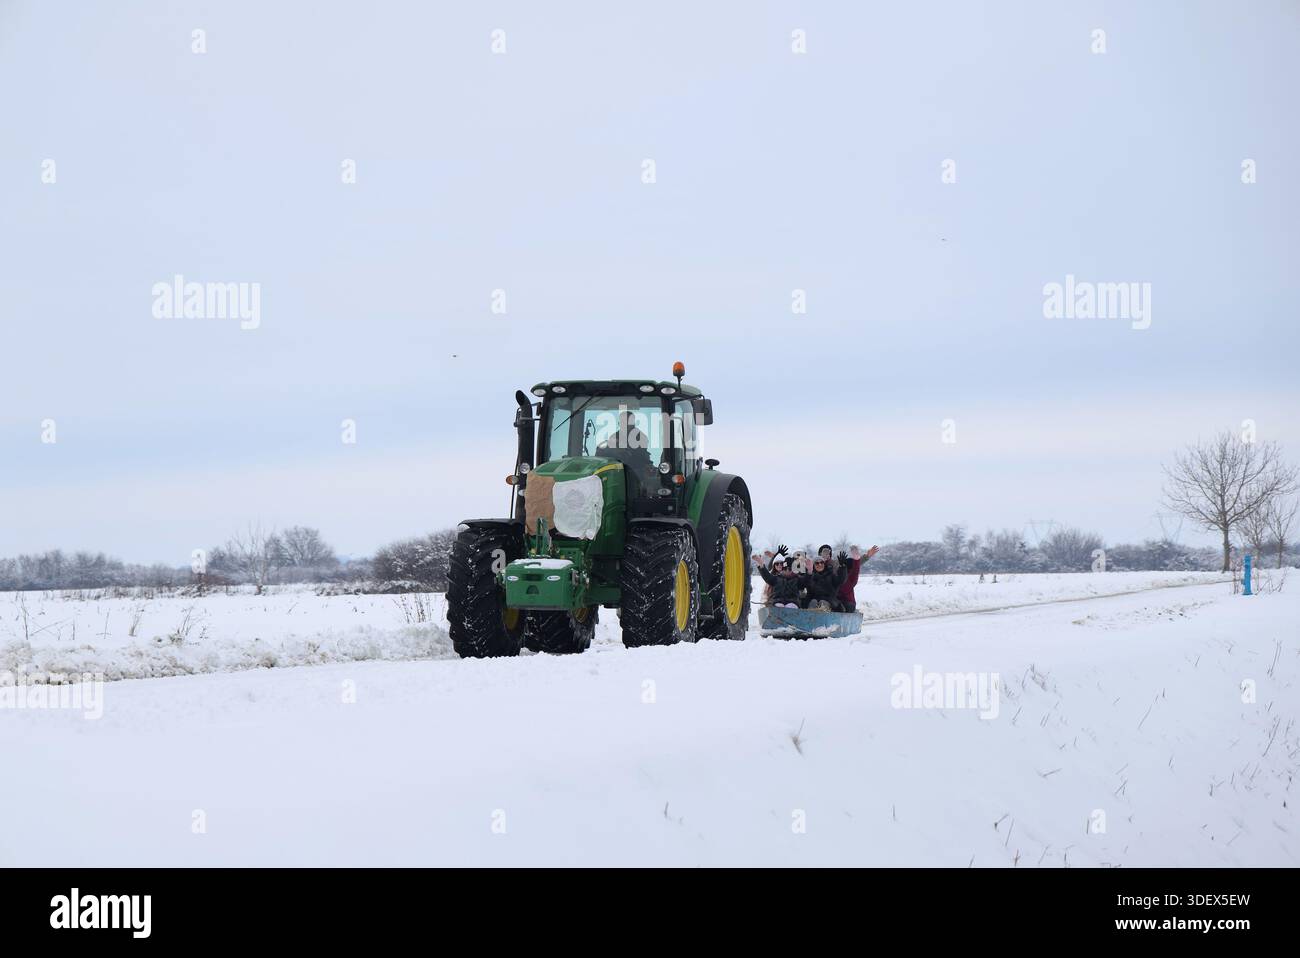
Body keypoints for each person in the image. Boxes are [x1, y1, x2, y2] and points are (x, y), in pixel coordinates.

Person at [834, 544, 879, 612]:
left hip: (848, 603)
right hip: (837, 602)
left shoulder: (851, 578)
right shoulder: (834, 574)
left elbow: (855, 568)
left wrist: (859, 558)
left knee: (844, 607)